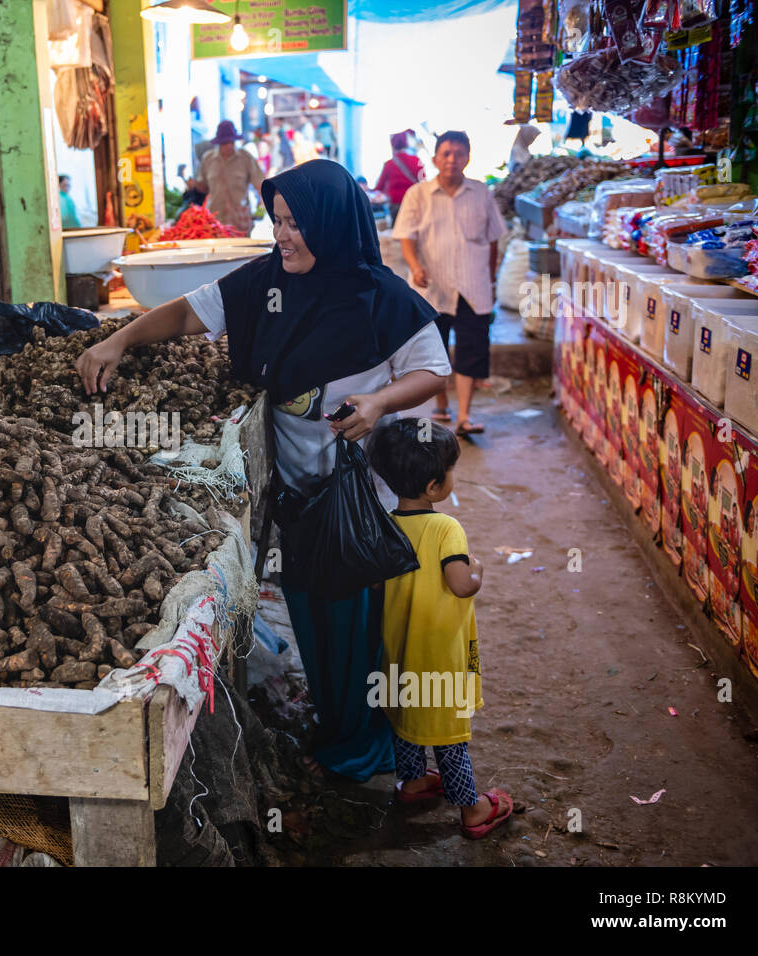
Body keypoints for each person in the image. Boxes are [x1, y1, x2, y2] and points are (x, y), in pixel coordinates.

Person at [75, 161, 450, 779]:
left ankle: (360, 751)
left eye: (296, 224)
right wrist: (120, 340)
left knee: (352, 629)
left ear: (331, 226)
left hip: (355, 498)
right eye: (277, 221)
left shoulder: (382, 298)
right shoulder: (267, 283)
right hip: (295, 494)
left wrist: (380, 402)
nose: (283, 235)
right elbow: (188, 312)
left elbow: (432, 371)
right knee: (311, 618)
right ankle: (336, 729)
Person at [367, 418, 514, 838]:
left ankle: (412, 782)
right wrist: (479, 571)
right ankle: (473, 809)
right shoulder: (446, 527)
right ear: (434, 487)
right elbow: (460, 584)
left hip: (399, 652)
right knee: (449, 738)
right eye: (452, 470)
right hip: (439, 658)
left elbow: (377, 582)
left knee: (407, 720)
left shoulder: (386, 525)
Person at [393, 130, 507, 437]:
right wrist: (415, 268)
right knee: (435, 352)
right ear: (435, 158)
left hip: (473, 286)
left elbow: (493, 238)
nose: (452, 159)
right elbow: (407, 237)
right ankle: (441, 405)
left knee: (472, 349)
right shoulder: (417, 195)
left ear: (468, 158)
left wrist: (491, 277)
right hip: (432, 289)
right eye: (446, 153)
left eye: (459, 153)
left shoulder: (482, 193)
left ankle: (465, 416)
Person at [189, 120, 264, 236]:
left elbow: (260, 184)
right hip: (216, 222)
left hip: (241, 221)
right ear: (219, 143)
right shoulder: (208, 159)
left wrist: (262, 205)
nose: (229, 146)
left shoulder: (245, 158)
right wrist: (193, 185)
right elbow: (202, 187)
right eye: (225, 143)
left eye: (231, 142)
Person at [375, 131, 424, 220]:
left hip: (396, 205)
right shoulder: (416, 160)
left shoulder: (389, 164)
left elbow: (379, 187)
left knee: (397, 232)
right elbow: (423, 182)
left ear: (392, 144)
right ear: (406, 142)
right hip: (414, 203)